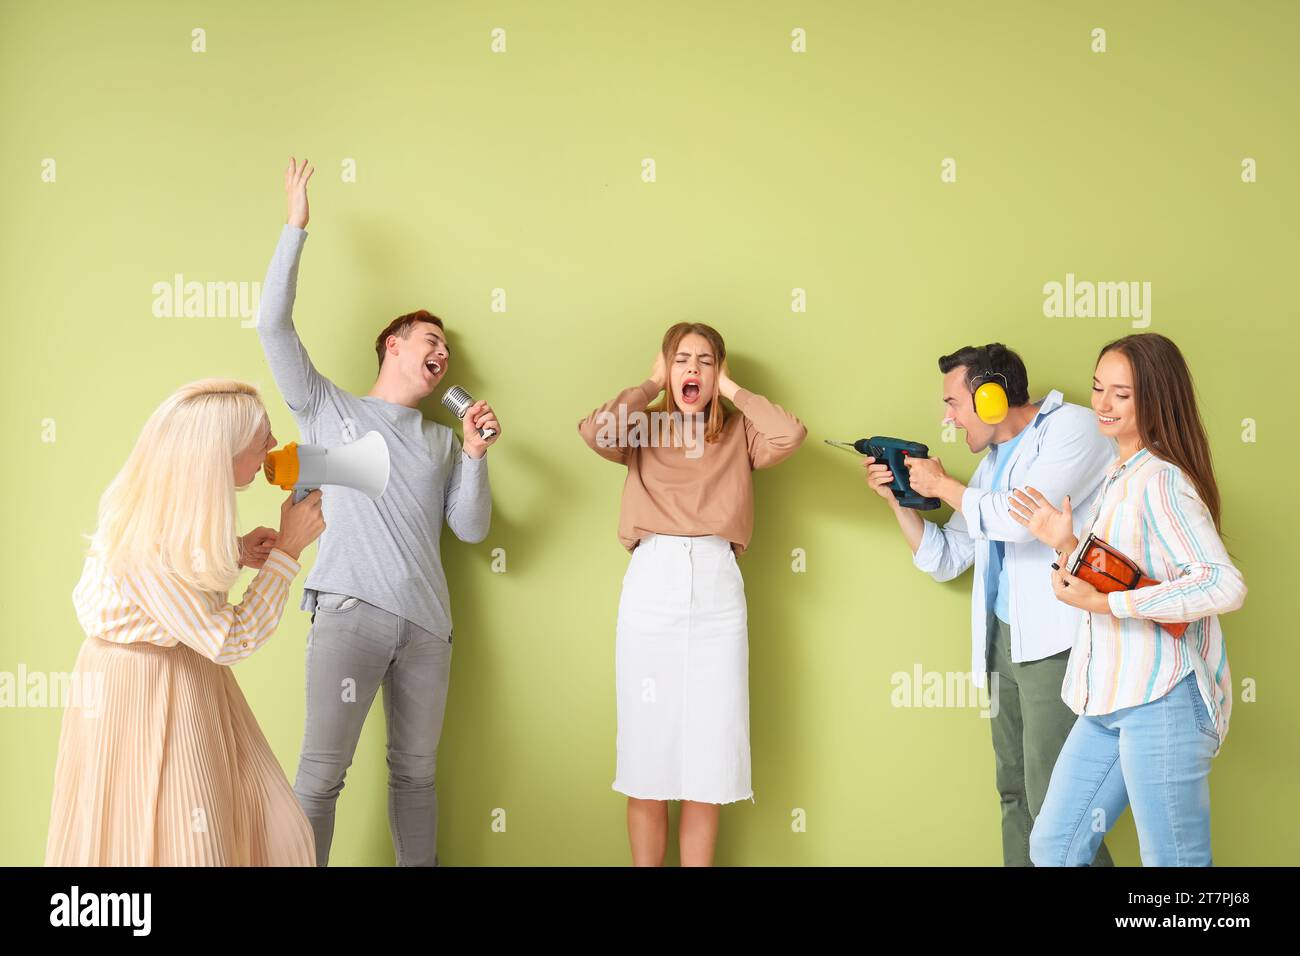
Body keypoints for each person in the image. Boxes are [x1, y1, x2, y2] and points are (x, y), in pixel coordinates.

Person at [257, 158, 498, 866]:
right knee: (322, 775)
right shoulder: (330, 408)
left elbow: (472, 529)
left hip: (427, 629)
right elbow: (272, 326)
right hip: (350, 614)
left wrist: (477, 456)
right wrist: (296, 227)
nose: (441, 354)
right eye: (431, 342)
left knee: (416, 777)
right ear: (394, 345)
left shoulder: (440, 440)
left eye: (446, 353)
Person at [45, 379, 325, 866]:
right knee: (180, 837)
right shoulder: (151, 544)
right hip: (144, 689)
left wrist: (235, 551)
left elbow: (176, 589)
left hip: (187, 675)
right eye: (262, 439)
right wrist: (287, 552)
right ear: (218, 454)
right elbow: (228, 638)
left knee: (259, 822)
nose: (271, 447)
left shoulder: (174, 518)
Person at [863, 343, 1115, 866]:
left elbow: (1023, 521)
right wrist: (902, 502)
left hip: (1056, 645)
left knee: (1057, 806)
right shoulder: (992, 466)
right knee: (1014, 793)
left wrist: (945, 486)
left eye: (954, 403)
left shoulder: (1075, 428)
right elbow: (947, 557)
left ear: (992, 397)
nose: (947, 418)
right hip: (1003, 643)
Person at [1011, 333, 1246, 866]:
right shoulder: (1122, 473)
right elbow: (1126, 576)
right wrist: (1066, 545)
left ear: (1155, 399)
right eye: (1097, 388)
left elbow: (1221, 584)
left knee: (1174, 864)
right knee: (1055, 845)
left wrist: (1105, 607)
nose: (1101, 403)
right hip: (1108, 700)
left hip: (1161, 699)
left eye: (1121, 393)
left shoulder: (1161, 480)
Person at [578, 322, 806, 866]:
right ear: (666, 367)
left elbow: (790, 434)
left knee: (710, 754)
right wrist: (649, 384)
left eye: (706, 361)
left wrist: (731, 390)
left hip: (716, 586)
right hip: (651, 582)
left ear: (719, 371)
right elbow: (594, 432)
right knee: (646, 751)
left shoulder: (739, 433)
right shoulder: (643, 428)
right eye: (683, 359)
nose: (693, 370)